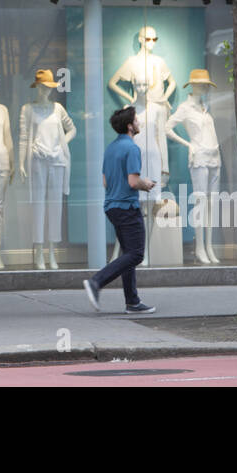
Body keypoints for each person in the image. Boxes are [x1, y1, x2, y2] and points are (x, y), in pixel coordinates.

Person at [83, 105, 156, 315]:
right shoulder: (132, 148)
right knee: (136, 254)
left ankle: (132, 302)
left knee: (128, 253)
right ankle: (96, 282)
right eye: (136, 120)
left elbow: (105, 181)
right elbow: (133, 182)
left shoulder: (111, 148)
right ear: (129, 126)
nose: (139, 122)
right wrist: (147, 184)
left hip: (112, 207)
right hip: (127, 207)